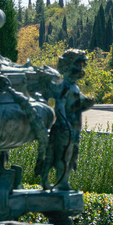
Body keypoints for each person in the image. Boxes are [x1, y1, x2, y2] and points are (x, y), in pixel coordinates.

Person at [40, 49, 94, 191]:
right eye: (78, 65)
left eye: (83, 65)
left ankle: (63, 181)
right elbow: (60, 105)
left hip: (74, 127)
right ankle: (60, 182)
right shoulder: (64, 86)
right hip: (65, 128)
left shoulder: (74, 87)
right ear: (66, 66)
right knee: (62, 156)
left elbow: (76, 107)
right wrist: (64, 122)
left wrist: (86, 104)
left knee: (71, 156)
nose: (81, 69)